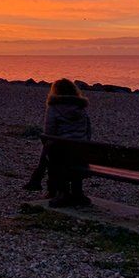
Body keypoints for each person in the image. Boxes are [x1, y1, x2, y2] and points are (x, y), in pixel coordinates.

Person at [25, 78, 92, 207]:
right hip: (81, 154)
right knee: (65, 152)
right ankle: (77, 192)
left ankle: (61, 192)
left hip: (62, 154)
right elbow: (88, 133)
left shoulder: (54, 108)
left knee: (52, 152)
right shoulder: (81, 108)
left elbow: (49, 133)